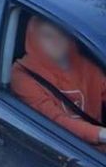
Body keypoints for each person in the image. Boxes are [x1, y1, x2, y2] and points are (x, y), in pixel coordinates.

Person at [11, 15, 106, 146]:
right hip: (65, 149)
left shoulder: (86, 65)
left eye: (62, 34)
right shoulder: (23, 74)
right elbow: (55, 121)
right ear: (34, 38)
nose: (57, 41)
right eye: (48, 36)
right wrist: (100, 134)